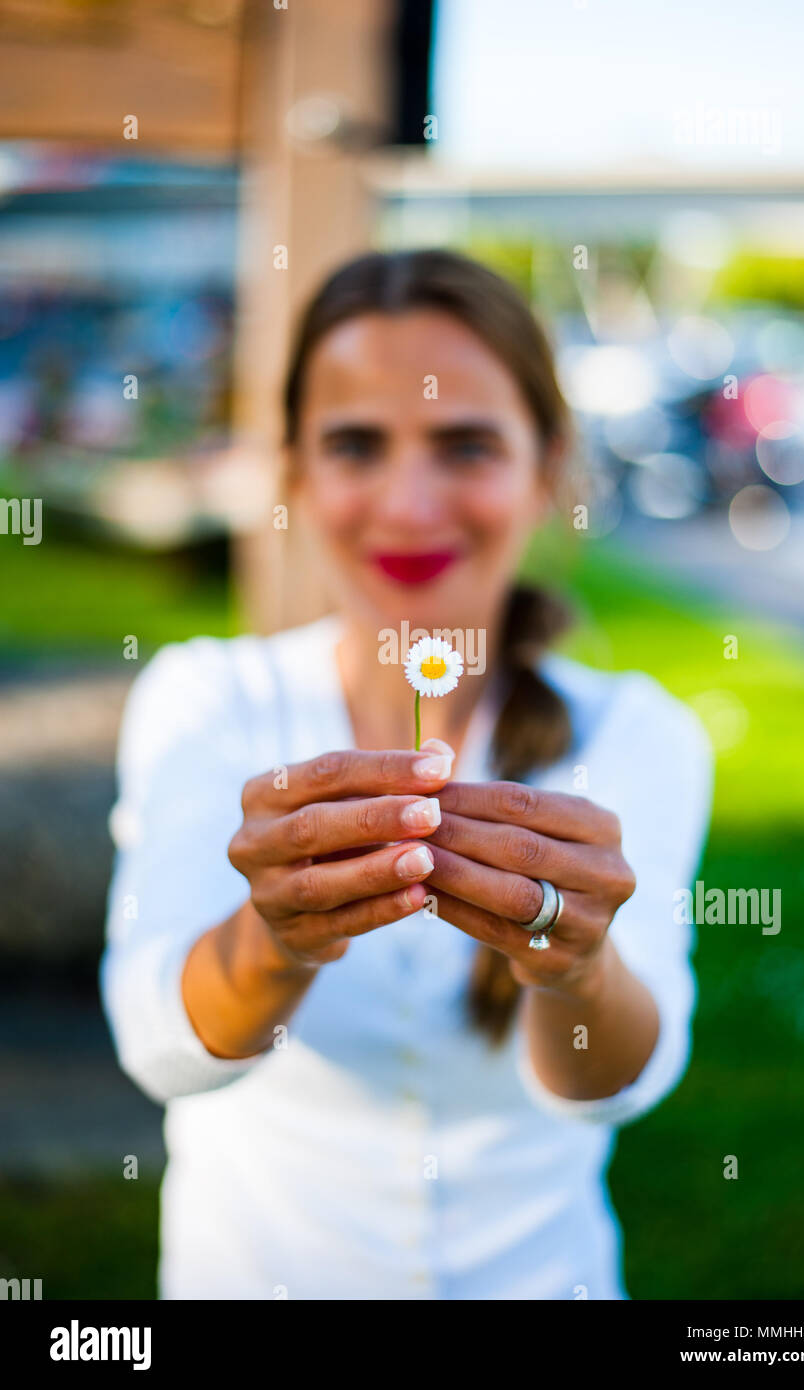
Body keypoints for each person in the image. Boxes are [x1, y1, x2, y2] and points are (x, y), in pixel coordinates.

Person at [100, 248, 713, 1301]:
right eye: (356, 445)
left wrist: (571, 966)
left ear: (545, 467)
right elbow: (165, 1045)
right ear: (292, 472)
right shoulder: (208, 703)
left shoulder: (637, 732)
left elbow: (612, 1082)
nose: (410, 501)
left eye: (465, 445)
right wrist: (276, 936)